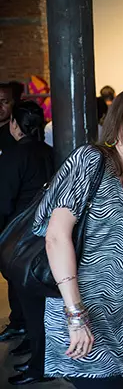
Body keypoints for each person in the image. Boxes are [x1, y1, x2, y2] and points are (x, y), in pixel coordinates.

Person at [32, 86, 123, 388]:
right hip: (80, 313)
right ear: (118, 118)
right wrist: (75, 316)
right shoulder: (91, 160)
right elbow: (55, 236)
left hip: (118, 317)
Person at [0, 101, 54, 386]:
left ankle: (39, 366)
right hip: (49, 239)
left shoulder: (13, 155)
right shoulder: (51, 152)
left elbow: (3, 201)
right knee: (41, 305)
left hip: (21, 243)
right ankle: (35, 352)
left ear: (15, 126)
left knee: (32, 307)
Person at [0, 82, 28, 346]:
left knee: (16, 274)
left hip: (14, 218)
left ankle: (21, 324)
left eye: (4, 101)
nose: (0, 107)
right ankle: (18, 321)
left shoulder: (18, 141)